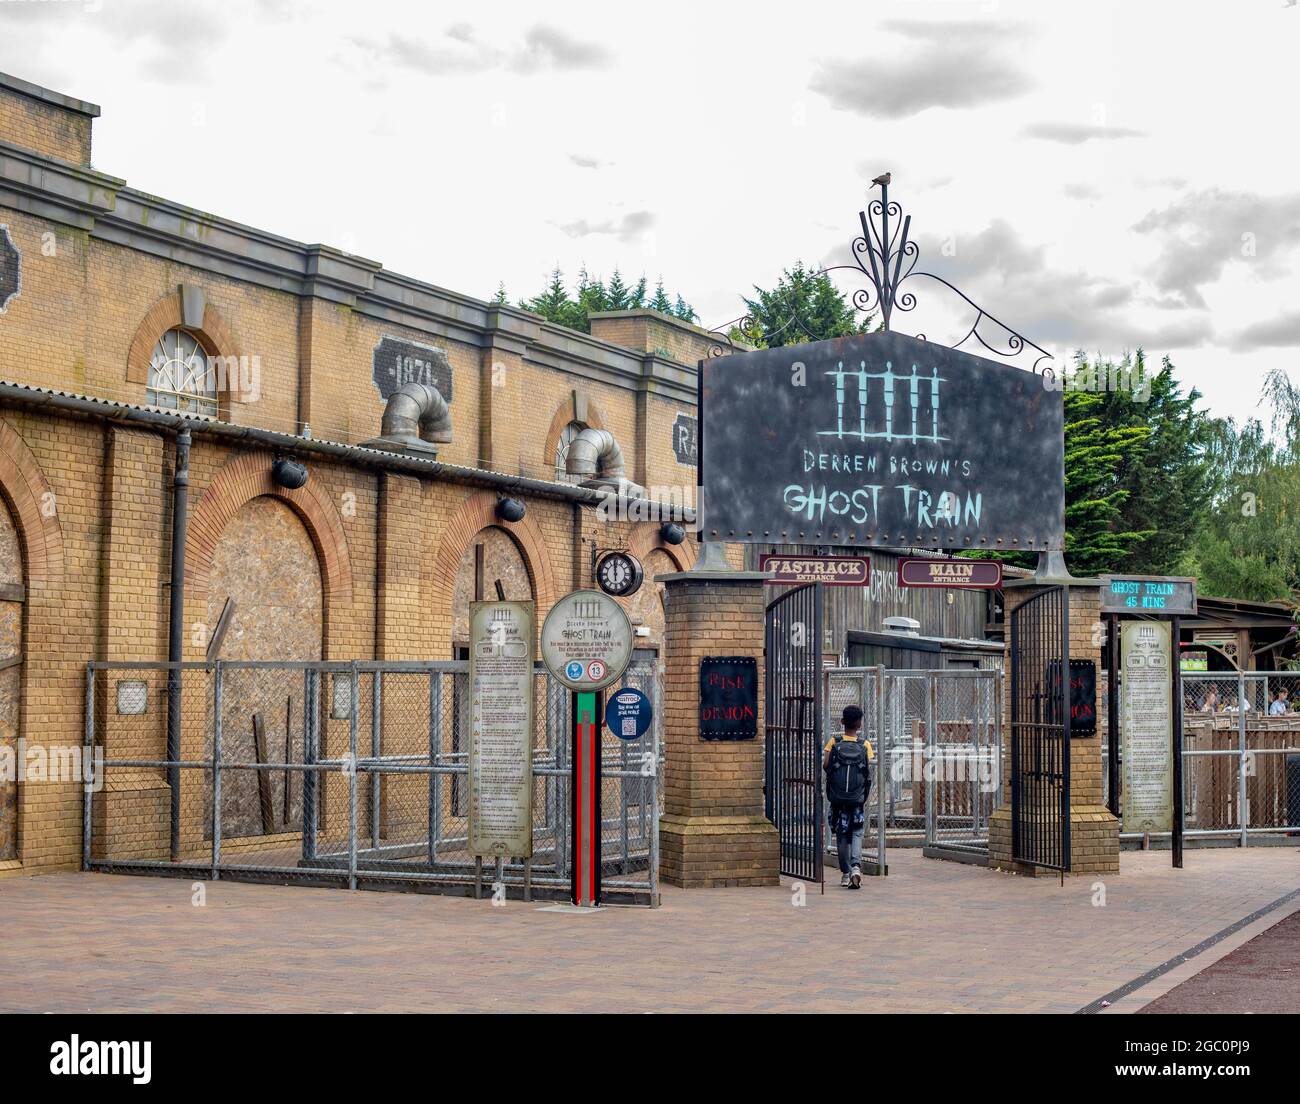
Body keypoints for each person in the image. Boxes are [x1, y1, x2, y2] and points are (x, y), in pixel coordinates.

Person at [823, 705, 873, 889]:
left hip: (837, 798)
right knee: (857, 832)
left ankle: (845, 873)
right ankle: (856, 867)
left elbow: (826, 765)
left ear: (842, 722)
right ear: (859, 724)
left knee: (841, 833)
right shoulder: (865, 745)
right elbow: (867, 771)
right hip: (856, 798)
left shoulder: (833, 742)